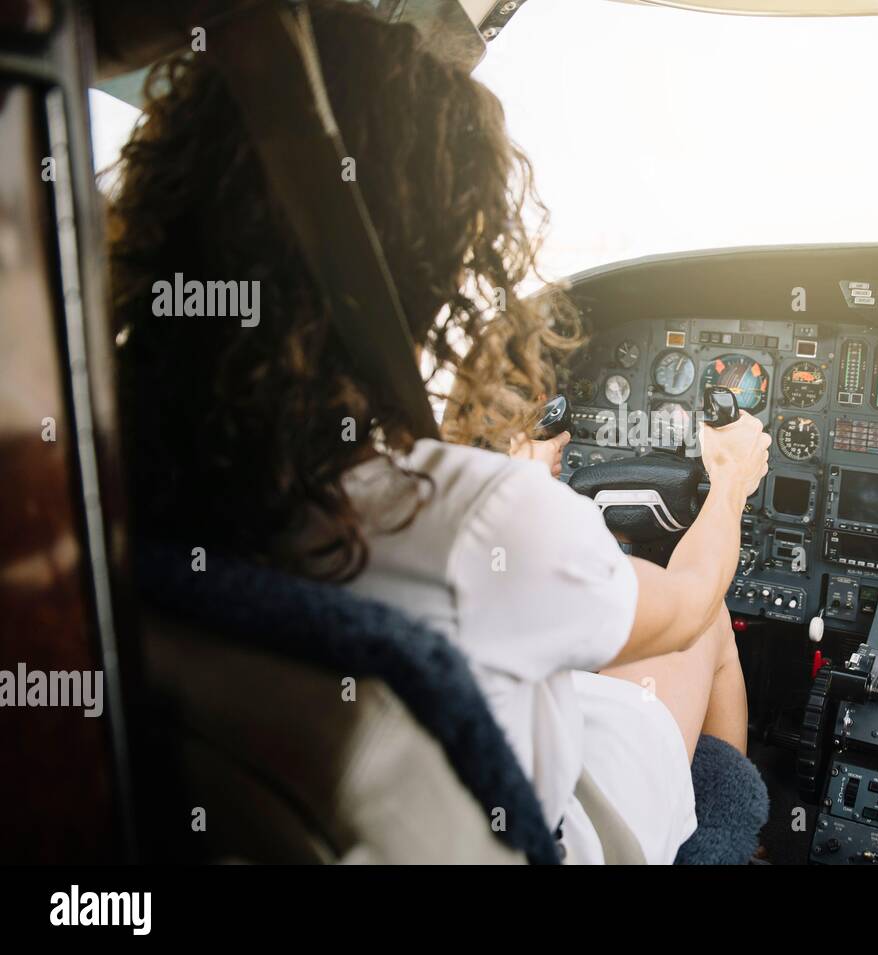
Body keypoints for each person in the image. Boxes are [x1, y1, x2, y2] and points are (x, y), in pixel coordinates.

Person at [110, 0, 769, 863]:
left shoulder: (101, 490)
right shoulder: (482, 523)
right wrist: (729, 486)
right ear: (424, 271)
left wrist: (520, 485)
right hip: (557, 834)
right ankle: (731, 837)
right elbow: (681, 609)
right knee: (711, 625)